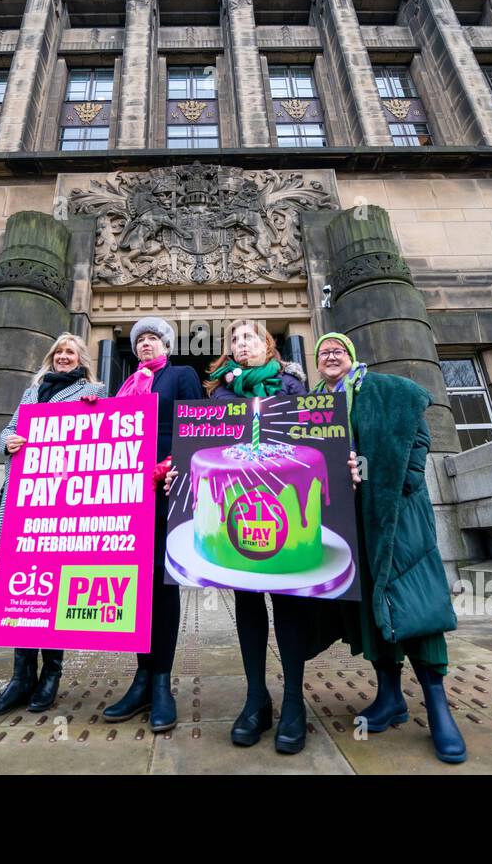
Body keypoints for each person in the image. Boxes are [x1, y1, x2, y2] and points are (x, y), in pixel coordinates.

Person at [311, 331, 466, 763]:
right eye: (323, 352)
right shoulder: (314, 406)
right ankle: (390, 695)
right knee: (369, 610)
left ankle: (437, 705)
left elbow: (419, 433)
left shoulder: (385, 388)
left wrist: (404, 478)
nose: (330, 355)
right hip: (352, 519)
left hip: (397, 516)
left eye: (338, 349)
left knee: (417, 602)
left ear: (352, 357)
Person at [169, 318, 318, 753]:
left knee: (288, 602)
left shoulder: (292, 388)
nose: (241, 344)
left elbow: (316, 443)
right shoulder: (220, 395)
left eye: (249, 336)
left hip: (286, 515)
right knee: (249, 604)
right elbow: (199, 449)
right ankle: (256, 697)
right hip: (236, 516)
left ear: (267, 345)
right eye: (234, 339)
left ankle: (293, 700)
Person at [0, 333, 108, 719]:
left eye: (70, 352)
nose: (64, 357)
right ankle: (21, 678)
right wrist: (9, 442)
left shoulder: (93, 392)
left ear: (81, 359)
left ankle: (51, 674)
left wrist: (94, 409)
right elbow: (6, 430)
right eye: (59, 352)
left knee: (52, 592)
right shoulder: (31, 393)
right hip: (23, 507)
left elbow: (105, 436)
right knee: (21, 593)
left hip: (61, 510)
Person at [102, 317, 204, 732]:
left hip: (166, 490)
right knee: (135, 584)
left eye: (153, 339)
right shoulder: (126, 386)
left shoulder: (181, 375)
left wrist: (174, 465)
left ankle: (161, 681)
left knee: (162, 585)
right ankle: (140, 678)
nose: (145, 345)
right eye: (139, 340)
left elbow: (197, 426)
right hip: (128, 496)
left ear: (166, 344)